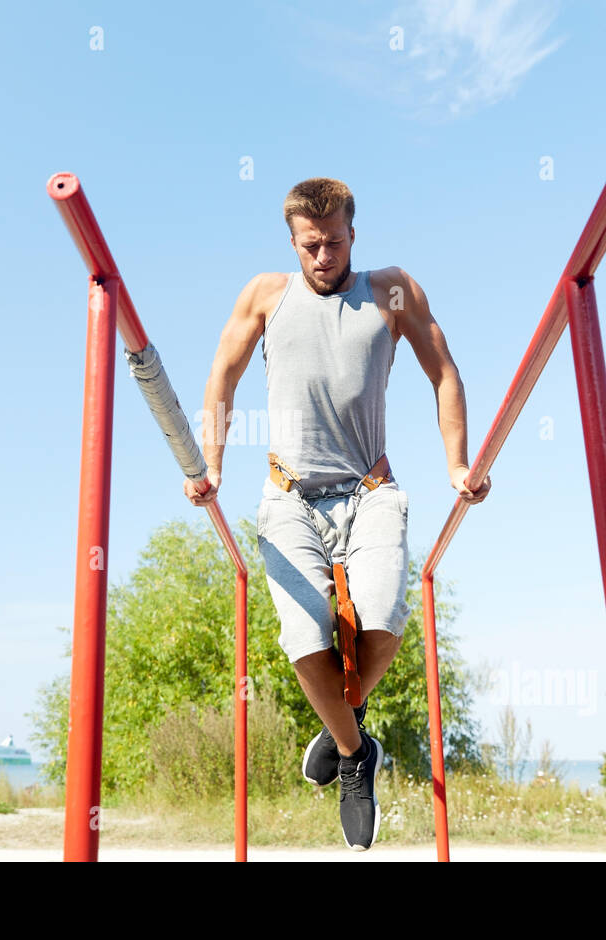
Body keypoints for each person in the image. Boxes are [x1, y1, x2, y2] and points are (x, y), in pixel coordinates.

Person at [183, 177, 491, 851]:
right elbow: (221, 378)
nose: (323, 257)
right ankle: (358, 754)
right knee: (308, 641)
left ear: (355, 233)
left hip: (369, 488)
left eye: (335, 242)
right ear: (293, 240)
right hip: (288, 494)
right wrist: (212, 464)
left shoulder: (391, 289)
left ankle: (337, 727)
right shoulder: (266, 294)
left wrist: (458, 465)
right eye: (310, 244)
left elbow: (444, 370)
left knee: (381, 624)